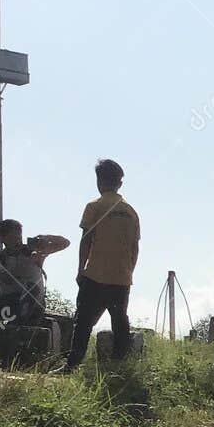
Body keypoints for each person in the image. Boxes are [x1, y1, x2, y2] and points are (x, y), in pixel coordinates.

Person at [63, 158, 140, 371]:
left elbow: (86, 239)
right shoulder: (131, 212)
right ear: (120, 183)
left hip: (95, 275)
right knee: (120, 322)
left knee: (84, 322)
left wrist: (81, 269)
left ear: (99, 181)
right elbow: (135, 248)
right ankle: (119, 366)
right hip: (121, 277)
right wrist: (128, 272)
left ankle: (72, 365)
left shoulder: (94, 206)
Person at [0, 219, 69, 335]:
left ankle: (12, 331)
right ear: (3, 239)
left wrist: (46, 239)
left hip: (33, 304)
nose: (18, 242)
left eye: (19, 238)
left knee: (32, 290)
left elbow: (65, 243)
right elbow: (7, 279)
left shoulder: (34, 254)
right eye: (13, 239)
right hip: (9, 303)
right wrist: (25, 261)